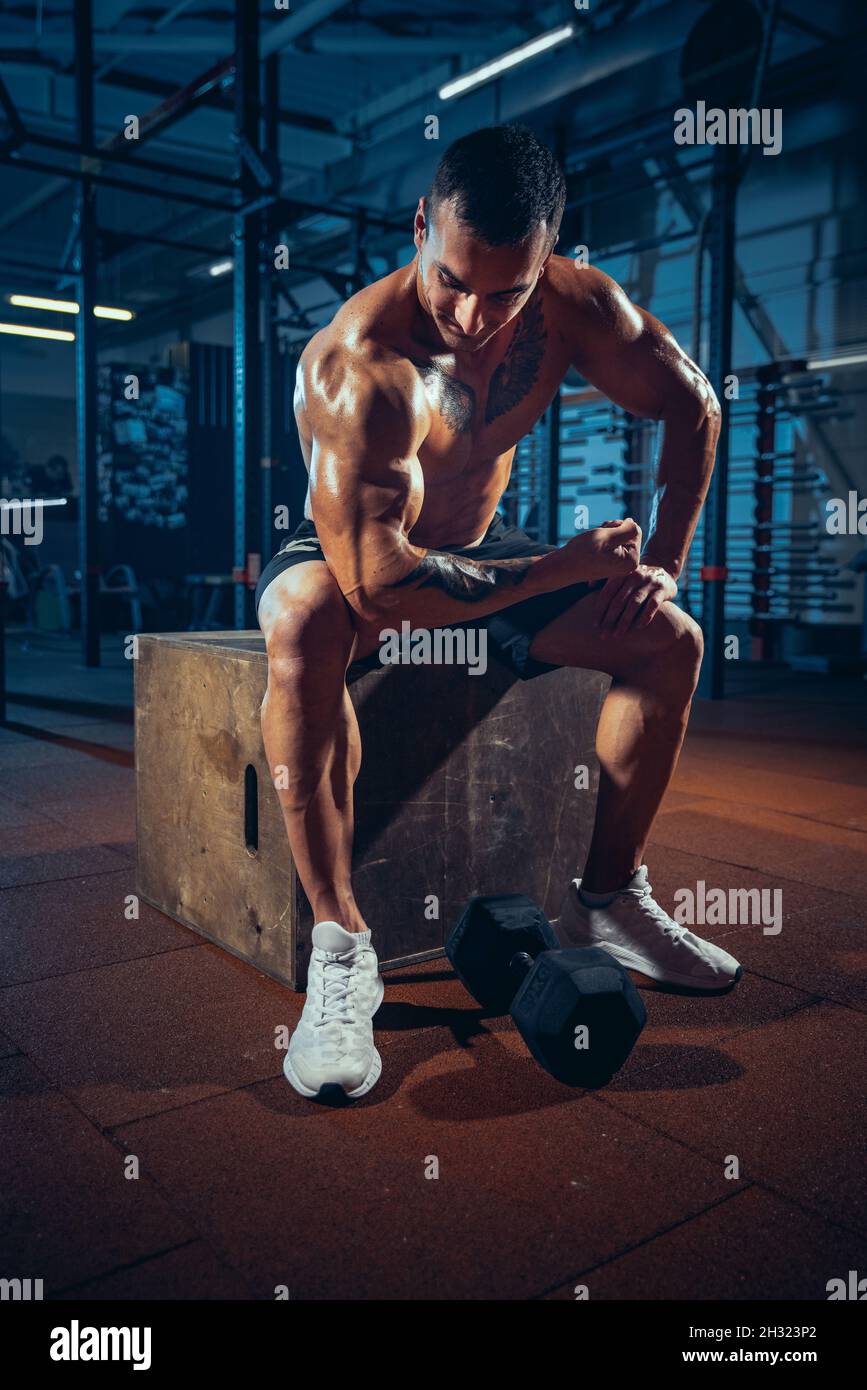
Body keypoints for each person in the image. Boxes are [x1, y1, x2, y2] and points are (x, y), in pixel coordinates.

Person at [255, 124, 741, 1101]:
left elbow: (694, 409)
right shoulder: (361, 367)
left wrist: (667, 568)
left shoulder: (577, 309)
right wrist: (560, 565)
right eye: (452, 281)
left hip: (486, 548)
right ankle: (343, 947)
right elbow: (382, 592)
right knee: (307, 623)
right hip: (354, 553)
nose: (475, 317)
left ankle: (610, 899)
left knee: (670, 641)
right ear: (421, 226)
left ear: (549, 261)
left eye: (505, 291)